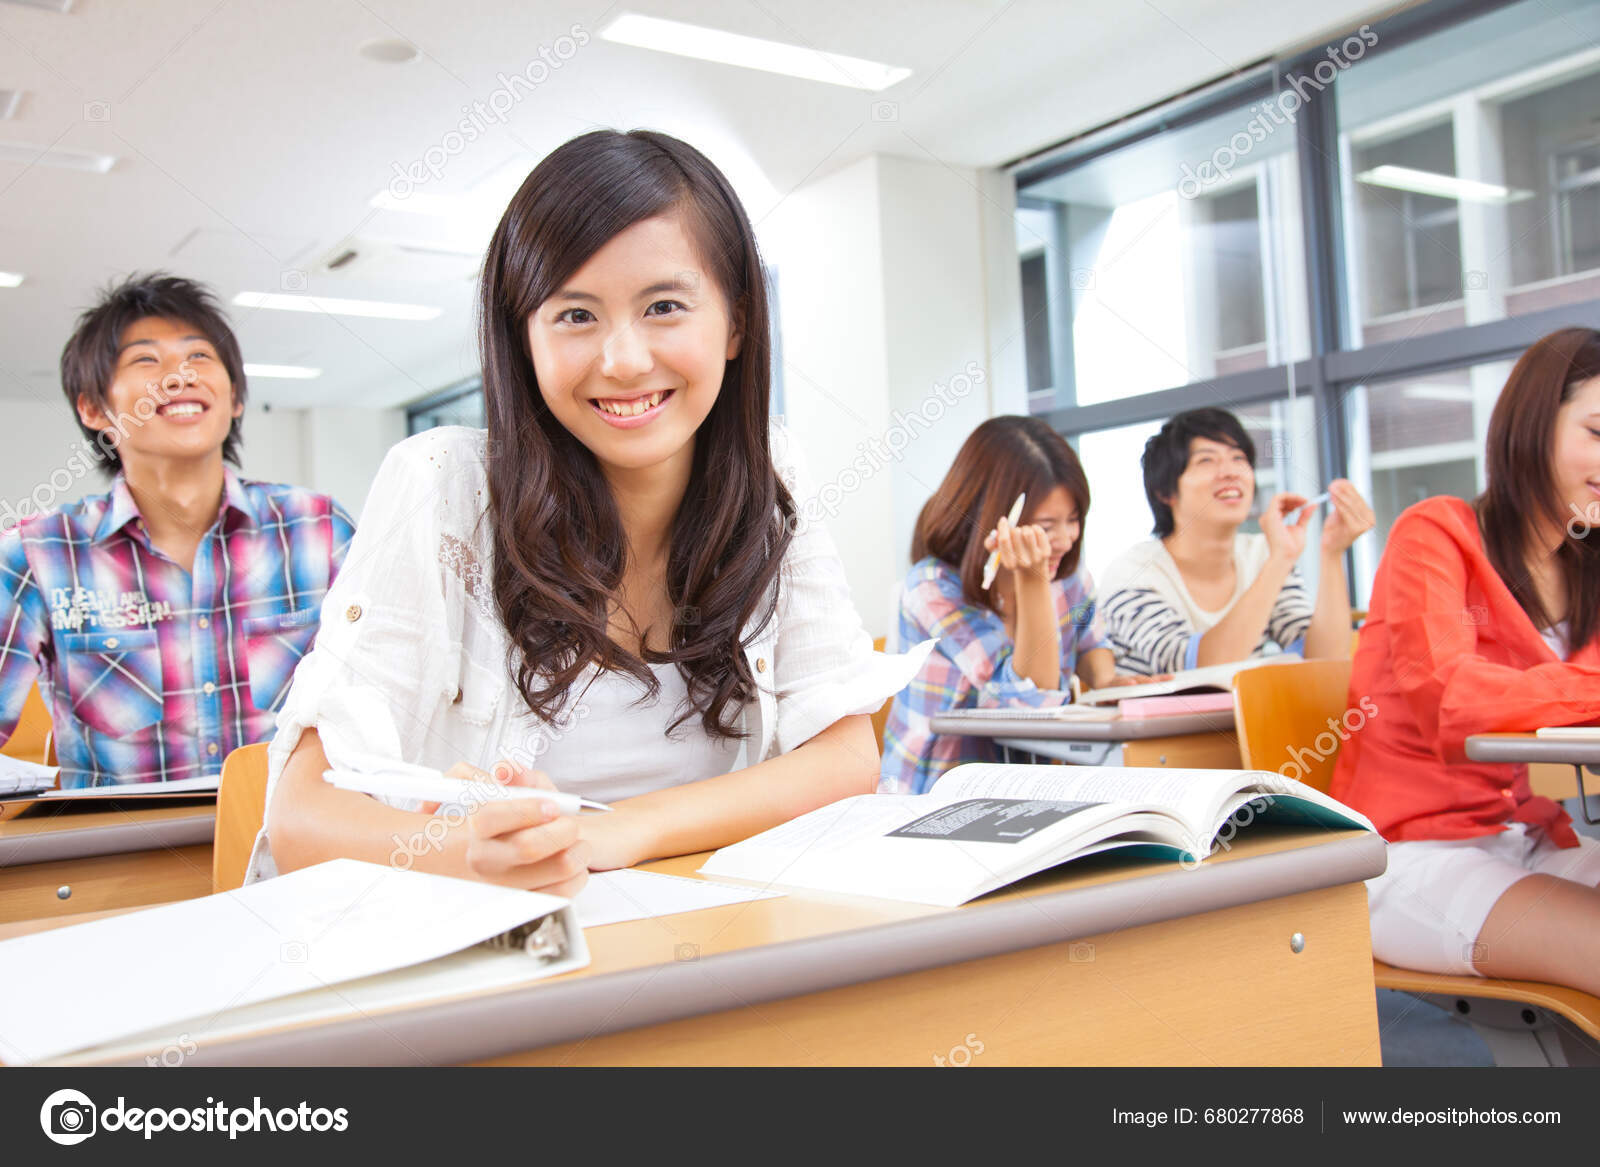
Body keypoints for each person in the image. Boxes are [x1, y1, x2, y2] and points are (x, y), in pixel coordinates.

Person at [256, 129, 926, 896]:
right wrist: (464, 848)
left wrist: (620, 830)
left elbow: (844, 759)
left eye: (665, 305)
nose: (625, 360)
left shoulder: (771, 478)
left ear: (737, 322)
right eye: (576, 316)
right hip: (499, 967)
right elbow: (301, 813)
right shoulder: (444, 488)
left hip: (703, 943)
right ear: (524, 338)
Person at [0, 274, 353, 788]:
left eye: (200, 357)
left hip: (294, 847)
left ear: (234, 398)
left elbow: (392, 699)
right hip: (127, 857)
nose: (179, 375)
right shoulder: (38, 554)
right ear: (94, 408)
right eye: (146, 360)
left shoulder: (318, 528)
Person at [1330, 328, 1600, 994]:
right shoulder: (1436, 531)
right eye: (1598, 430)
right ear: (1534, 423)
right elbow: (1453, 699)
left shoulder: (1590, 563)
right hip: (1408, 854)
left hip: (1529, 836)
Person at [879, 416, 1140, 795]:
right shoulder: (932, 586)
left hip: (1028, 787)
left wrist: (1106, 680)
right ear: (994, 519)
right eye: (1047, 527)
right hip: (934, 794)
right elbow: (1030, 705)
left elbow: (1089, 643)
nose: (1066, 540)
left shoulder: (1069, 577)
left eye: (1073, 520)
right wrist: (1033, 580)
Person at [1100, 407, 1373, 676]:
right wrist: (1279, 561)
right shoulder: (1133, 573)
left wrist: (1332, 553)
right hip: (1160, 719)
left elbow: (1323, 660)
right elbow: (1196, 673)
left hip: (1247, 720)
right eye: (1206, 461)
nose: (1230, 472)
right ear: (1165, 491)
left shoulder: (1262, 555)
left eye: (1239, 458)